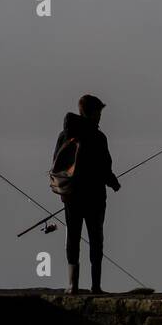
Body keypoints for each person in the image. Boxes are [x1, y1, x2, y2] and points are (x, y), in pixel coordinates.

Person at [50, 94, 120, 294]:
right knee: (95, 239)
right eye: (99, 112)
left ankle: (72, 285)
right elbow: (104, 168)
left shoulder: (64, 135)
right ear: (92, 113)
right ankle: (96, 286)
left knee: (73, 236)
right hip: (94, 196)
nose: (100, 117)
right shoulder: (98, 137)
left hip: (71, 195)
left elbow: (56, 162)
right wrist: (113, 183)